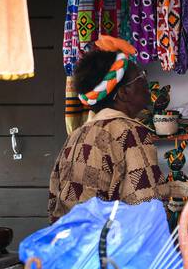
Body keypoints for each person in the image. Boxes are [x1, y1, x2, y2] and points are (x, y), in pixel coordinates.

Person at [47, 36, 170, 222]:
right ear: (123, 93)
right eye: (141, 76)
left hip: (74, 244)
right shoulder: (130, 133)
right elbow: (147, 208)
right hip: (108, 247)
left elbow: (55, 202)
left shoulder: (76, 135)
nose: (147, 83)